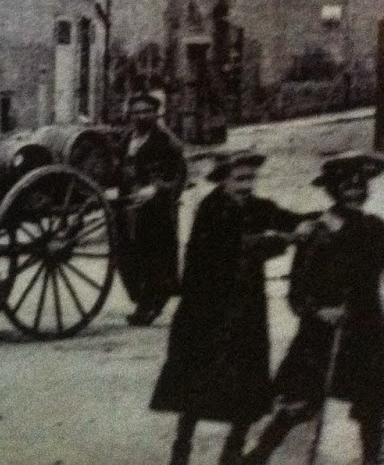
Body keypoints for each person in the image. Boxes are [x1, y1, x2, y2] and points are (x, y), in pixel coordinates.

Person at [149, 150, 310, 465]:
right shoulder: (211, 209)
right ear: (223, 180)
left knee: (249, 382)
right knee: (196, 386)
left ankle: (233, 450)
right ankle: (181, 450)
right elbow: (237, 249)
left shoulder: (254, 206)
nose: (247, 185)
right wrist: (286, 239)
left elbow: (285, 216)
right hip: (207, 310)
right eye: (240, 179)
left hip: (246, 310)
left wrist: (314, 221)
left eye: (251, 179)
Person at [242, 151, 384, 465]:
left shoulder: (374, 228)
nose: (356, 193)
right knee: (299, 403)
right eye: (347, 187)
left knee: (372, 404)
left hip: (366, 331)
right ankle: (256, 458)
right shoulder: (317, 232)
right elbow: (296, 292)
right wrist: (319, 312)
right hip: (320, 334)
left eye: (361, 186)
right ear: (333, 191)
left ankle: (372, 460)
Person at [114, 91, 187, 326]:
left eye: (147, 112)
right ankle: (143, 301)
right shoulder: (126, 139)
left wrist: (156, 189)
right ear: (130, 115)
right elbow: (117, 168)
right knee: (128, 254)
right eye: (136, 112)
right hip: (129, 203)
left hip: (156, 208)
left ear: (156, 113)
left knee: (155, 257)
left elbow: (179, 175)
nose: (141, 116)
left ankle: (151, 306)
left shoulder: (167, 141)